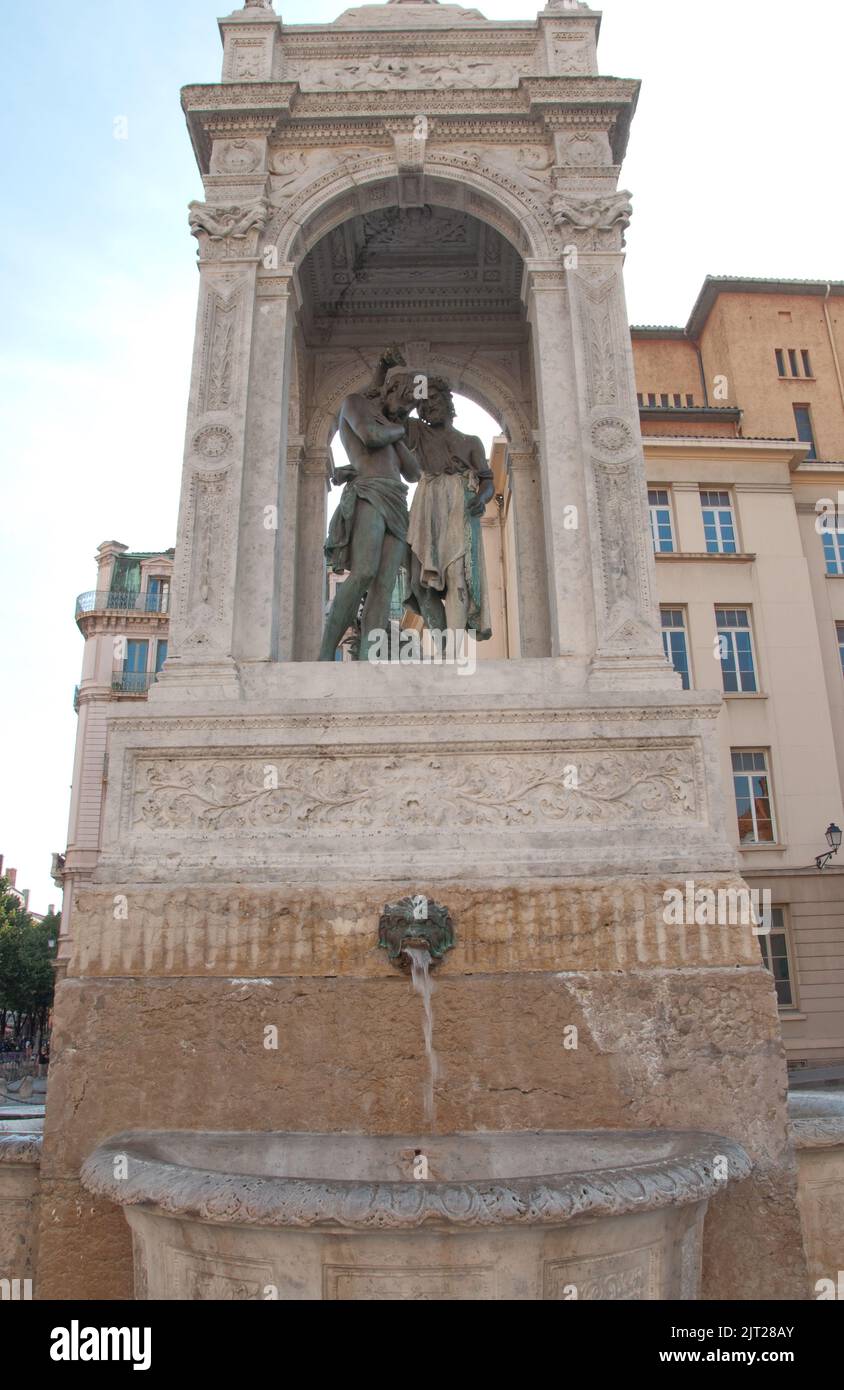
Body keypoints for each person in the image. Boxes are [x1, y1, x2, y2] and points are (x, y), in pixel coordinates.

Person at [319, 357, 421, 661]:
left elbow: (414, 472)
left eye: (410, 410)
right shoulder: (355, 405)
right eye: (404, 403)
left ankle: (367, 660)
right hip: (370, 493)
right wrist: (398, 430)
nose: (405, 412)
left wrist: (397, 427)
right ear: (389, 390)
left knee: (384, 585)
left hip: (397, 500)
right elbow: (370, 436)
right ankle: (324, 656)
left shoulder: (393, 428)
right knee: (363, 572)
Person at [405, 376, 495, 642]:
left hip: (458, 505)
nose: (427, 406)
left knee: (457, 577)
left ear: (447, 402)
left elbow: (487, 480)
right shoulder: (415, 432)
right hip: (425, 504)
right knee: (418, 583)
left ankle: (454, 650)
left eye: (433, 399)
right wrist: (416, 389)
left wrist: (482, 497)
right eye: (421, 403)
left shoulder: (470, 442)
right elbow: (393, 413)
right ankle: (445, 644)